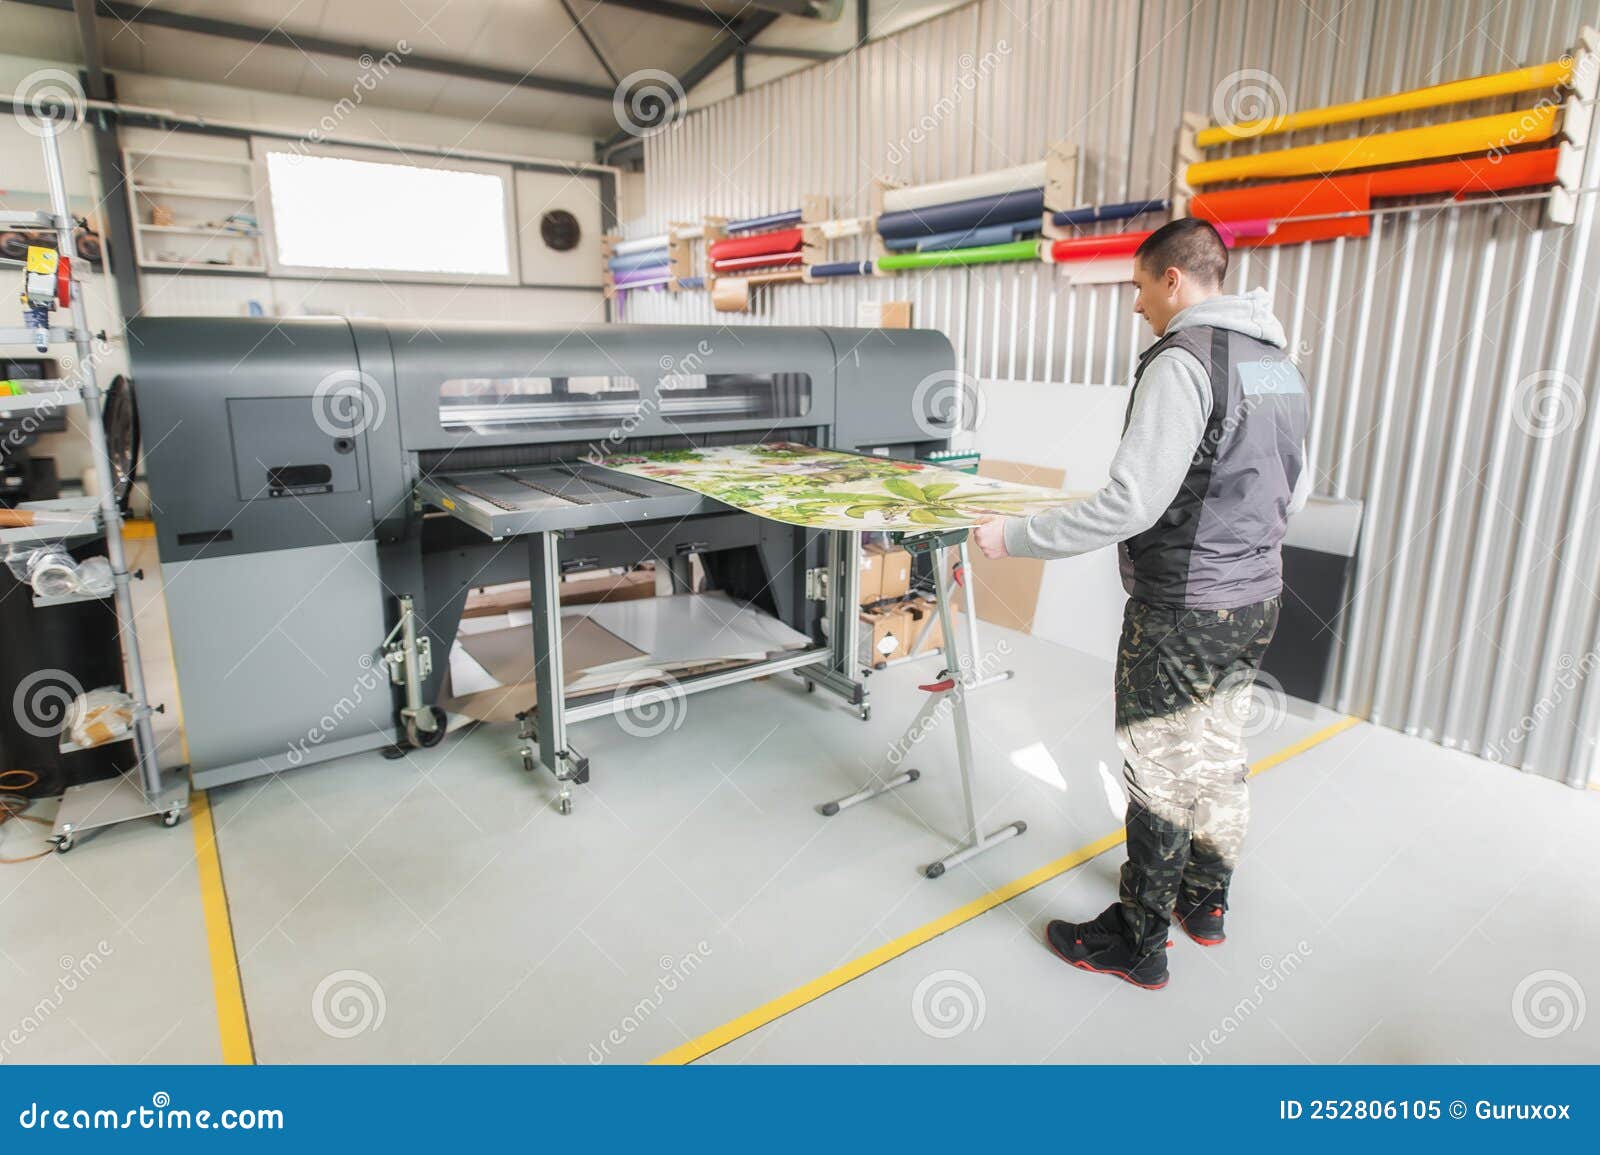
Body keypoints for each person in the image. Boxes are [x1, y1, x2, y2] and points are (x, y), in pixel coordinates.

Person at [972, 218, 1311, 990]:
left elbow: (1130, 503)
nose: (1135, 306)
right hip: (1257, 596)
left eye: (1136, 288)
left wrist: (1015, 538)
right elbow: (1298, 487)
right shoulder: (1276, 365)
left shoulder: (1183, 363)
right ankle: (1205, 901)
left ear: (1172, 281)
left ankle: (1138, 939)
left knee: (1160, 767)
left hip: (1184, 607)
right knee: (1219, 753)